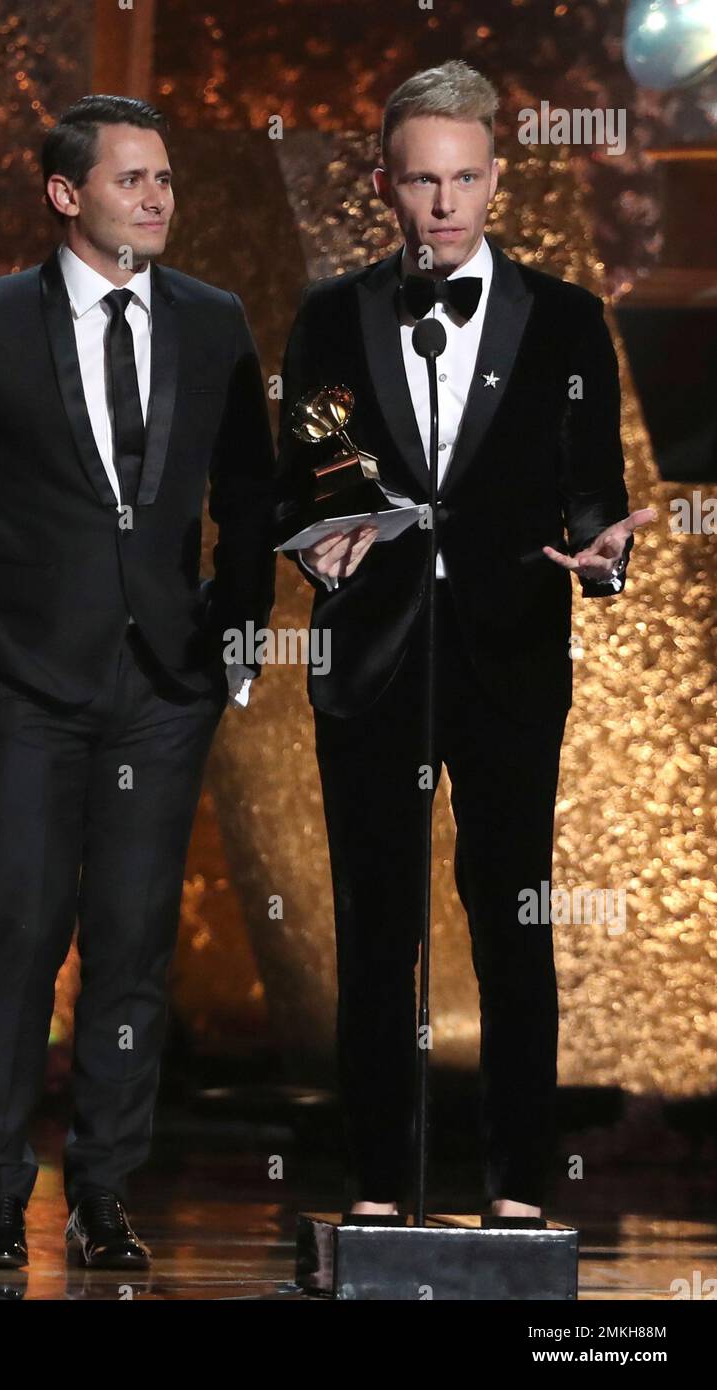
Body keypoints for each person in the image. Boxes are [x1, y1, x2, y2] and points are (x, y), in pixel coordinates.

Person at [0, 93, 274, 1268]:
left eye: (164, 180)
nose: (156, 198)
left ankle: (103, 1194)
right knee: (23, 933)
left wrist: (238, 632)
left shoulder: (213, 321)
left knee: (134, 944)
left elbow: (249, 499)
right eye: (131, 179)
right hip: (27, 683)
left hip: (166, 680)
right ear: (65, 194)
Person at [276, 60, 655, 1223]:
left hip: (508, 651)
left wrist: (604, 554)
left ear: (494, 181)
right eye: (421, 182)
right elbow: (307, 477)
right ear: (386, 186)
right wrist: (318, 542)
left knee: (512, 913)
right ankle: (381, 1191)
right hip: (373, 654)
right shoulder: (331, 317)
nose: (444, 204)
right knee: (374, 922)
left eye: (465, 180)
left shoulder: (566, 318)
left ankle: (517, 1190)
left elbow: (591, 492)